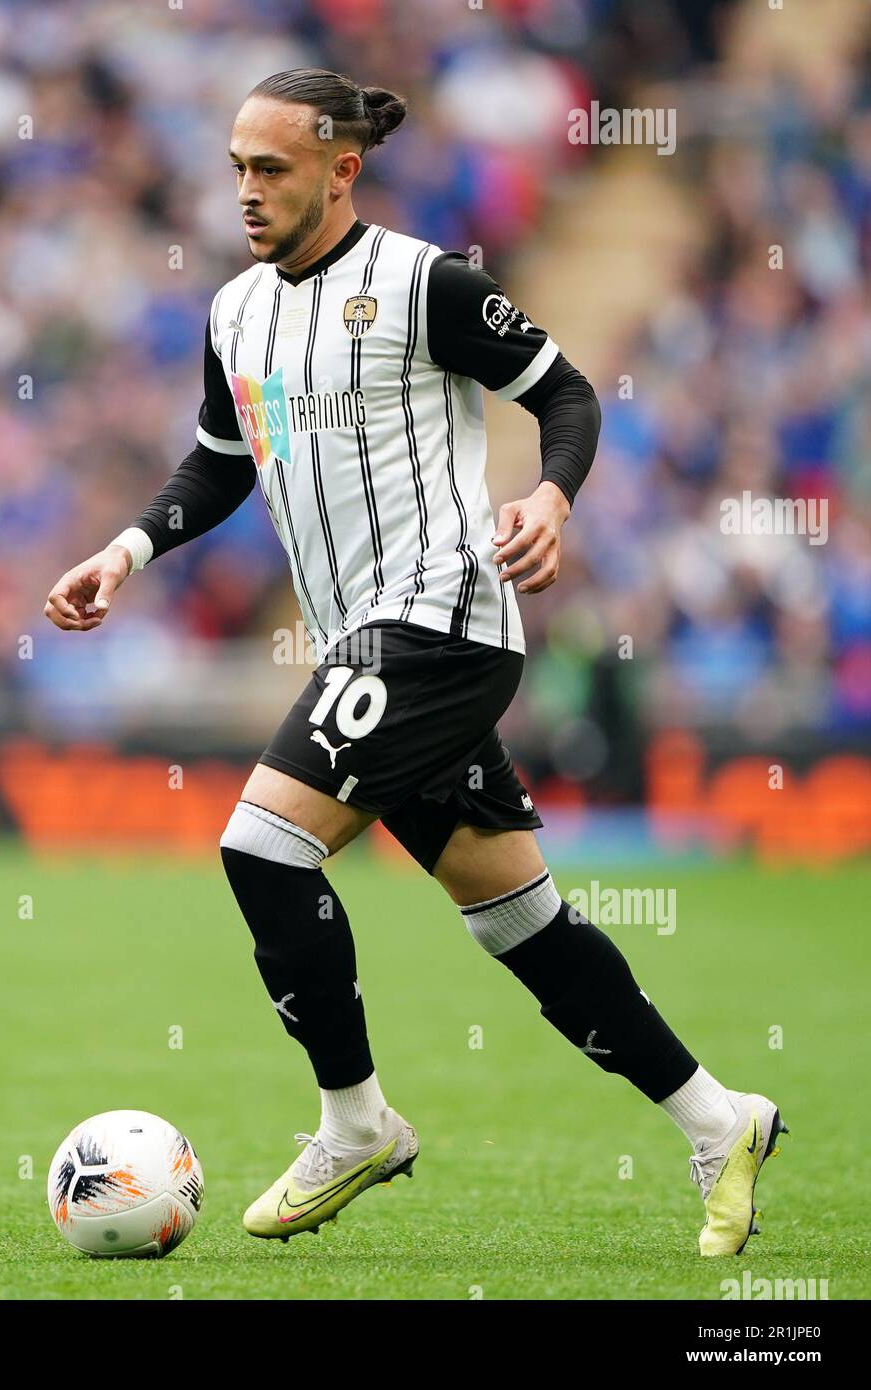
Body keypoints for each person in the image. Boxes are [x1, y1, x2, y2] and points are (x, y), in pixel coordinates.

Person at [44, 68, 785, 1256]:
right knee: (518, 922)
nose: (245, 188)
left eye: (270, 168)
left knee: (261, 845)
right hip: (365, 638)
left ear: (341, 171)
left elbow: (566, 393)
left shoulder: (423, 282)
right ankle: (721, 1117)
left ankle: (355, 1122)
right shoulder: (233, 311)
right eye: (236, 164)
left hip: (439, 619)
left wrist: (549, 492)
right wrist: (127, 551)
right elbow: (220, 462)